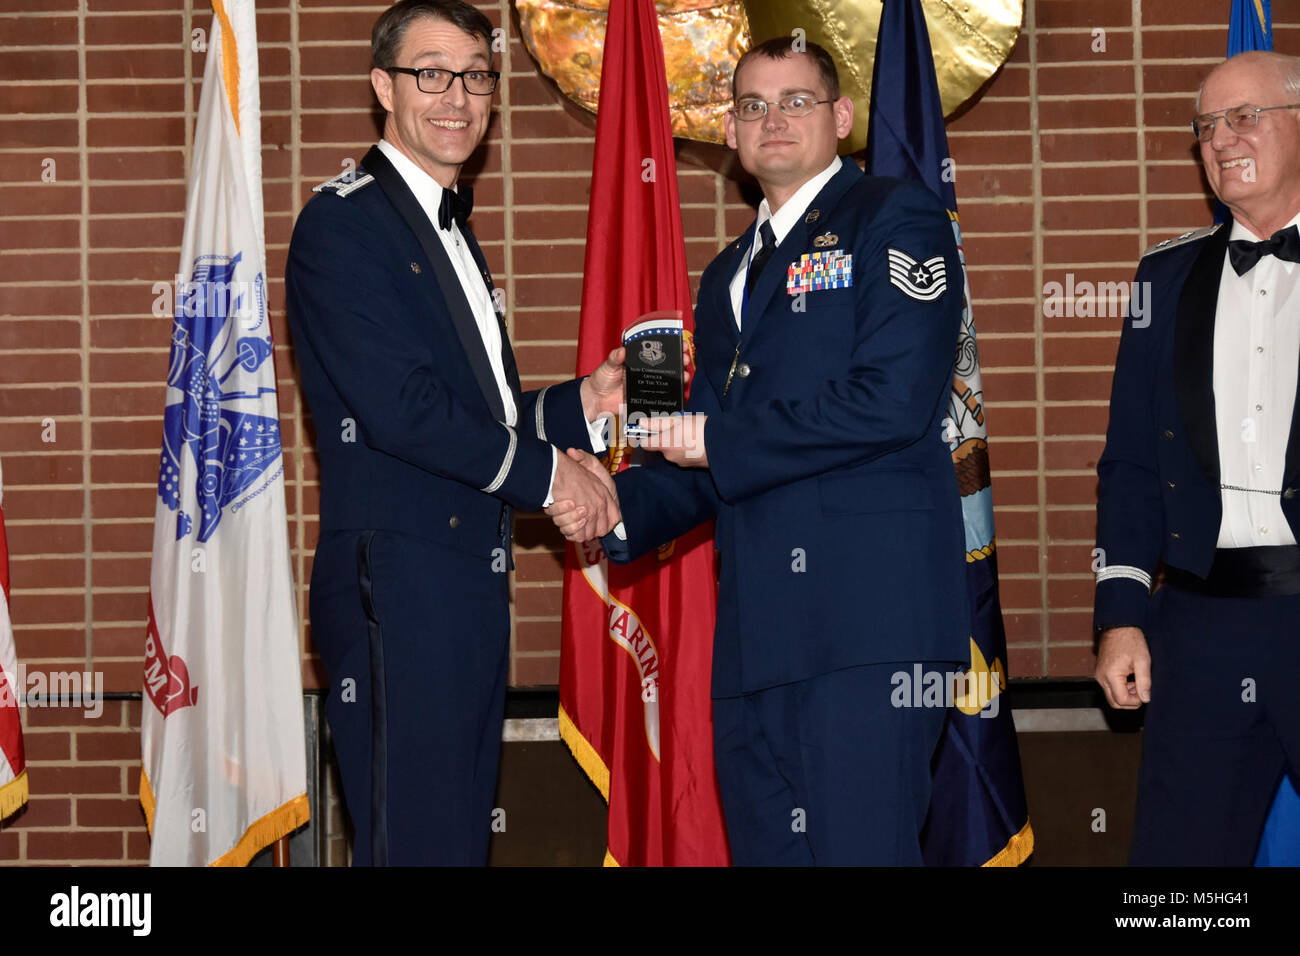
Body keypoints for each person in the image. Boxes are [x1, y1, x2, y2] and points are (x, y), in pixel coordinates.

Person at [548, 38, 970, 865]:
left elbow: (892, 401)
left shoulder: (897, 215)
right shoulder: (726, 274)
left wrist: (717, 438)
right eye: (751, 106)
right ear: (733, 135)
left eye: (796, 101)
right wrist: (607, 503)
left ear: (842, 119)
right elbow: (702, 454)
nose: (772, 120)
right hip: (755, 642)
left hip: (866, 633)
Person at [284, 0, 621, 865]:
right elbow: (404, 411)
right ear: (382, 88)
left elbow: (482, 420)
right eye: (430, 73)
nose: (458, 97)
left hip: (464, 580)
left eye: (476, 76)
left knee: (453, 844)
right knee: (418, 846)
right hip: (398, 581)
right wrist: (556, 480)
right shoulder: (345, 222)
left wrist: (585, 401)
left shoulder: (448, 223)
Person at [1094, 50, 1300, 865]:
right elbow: (1131, 466)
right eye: (1205, 127)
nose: (1220, 140)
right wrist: (1120, 617)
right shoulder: (1163, 278)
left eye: (1244, 117)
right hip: (1200, 624)